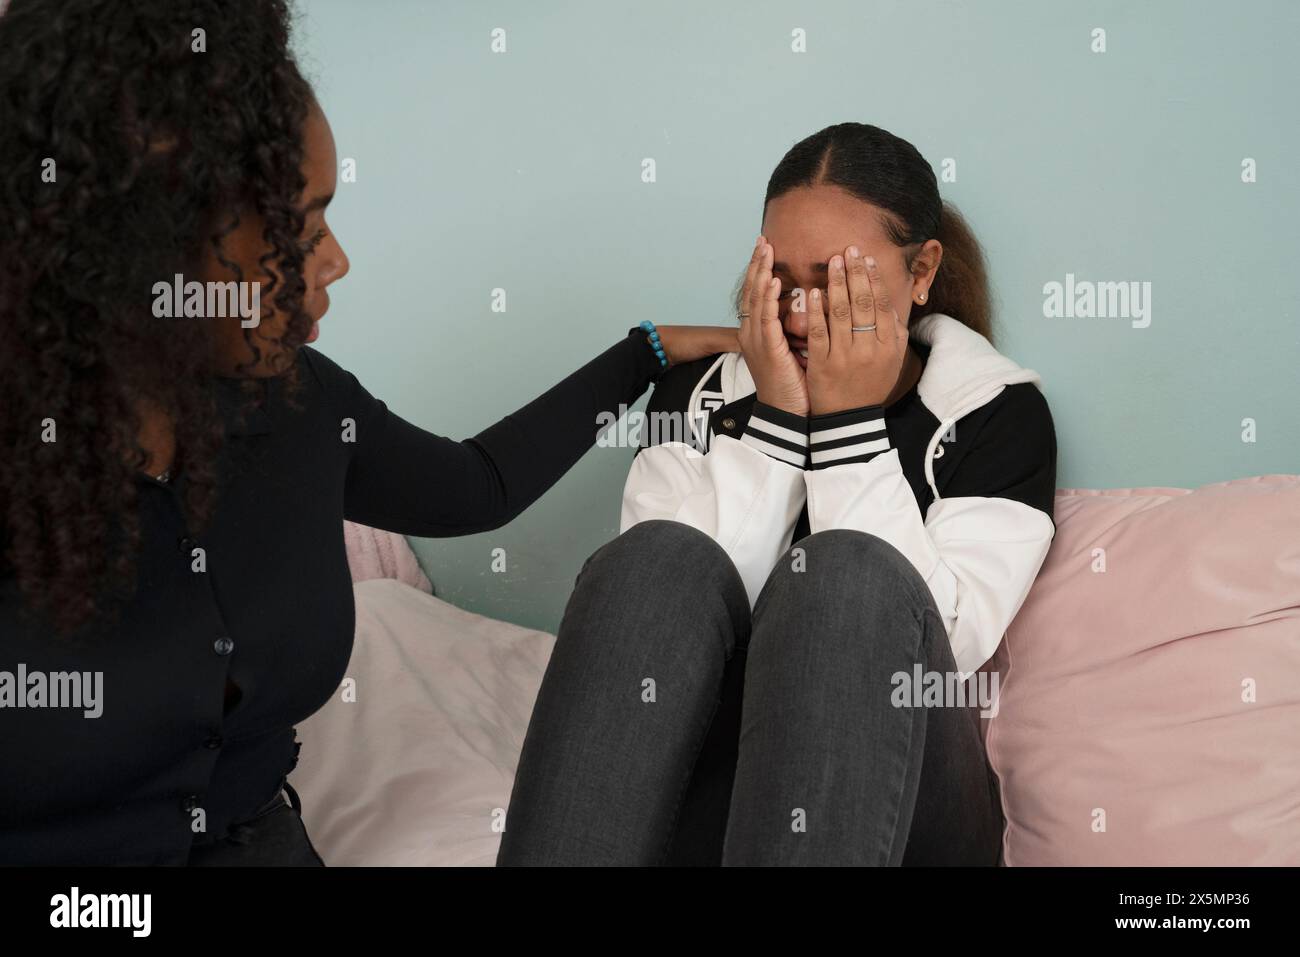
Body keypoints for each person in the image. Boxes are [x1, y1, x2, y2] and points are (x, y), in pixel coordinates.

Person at [0, 0, 734, 865]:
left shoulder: (298, 404)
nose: (336, 258)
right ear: (152, 248)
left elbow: (478, 482)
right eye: (300, 227)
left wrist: (643, 354)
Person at [498, 122, 1059, 866]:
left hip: (903, 804)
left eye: (833, 280)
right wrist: (775, 419)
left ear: (921, 271)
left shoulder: (996, 414)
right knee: (656, 557)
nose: (798, 313)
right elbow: (666, 630)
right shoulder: (691, 397)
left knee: (846, 576)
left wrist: (849, 427)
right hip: (702, 799)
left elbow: (936, 658)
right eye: (782, 278)